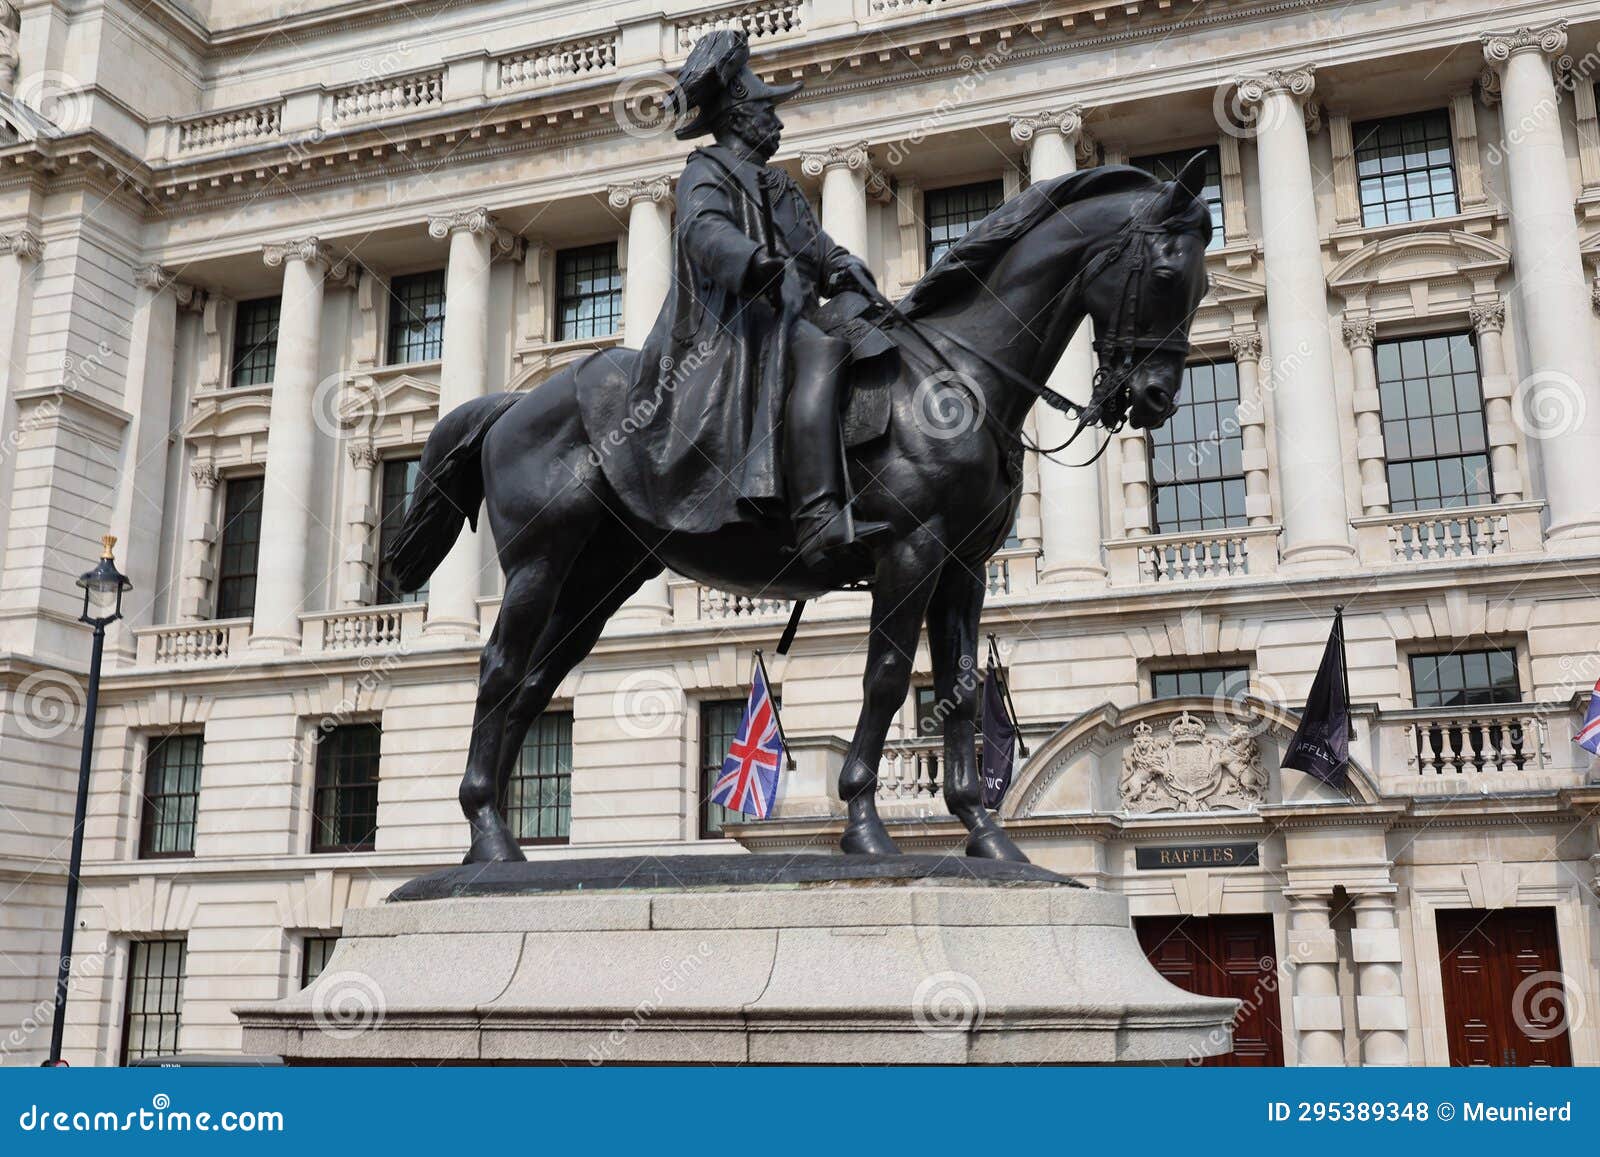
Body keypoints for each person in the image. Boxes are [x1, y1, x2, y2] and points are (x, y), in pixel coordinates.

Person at [606, 29, 889, 568]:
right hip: (737, 325)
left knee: (869, 335)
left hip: (790, 315)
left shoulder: (778, 186)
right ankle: (818, 514)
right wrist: (753, 263)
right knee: (820, 353)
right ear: (739, 117)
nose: (778, 122)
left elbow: (816, 246)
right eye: (768, 111)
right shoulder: (705, 172)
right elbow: (703, 232)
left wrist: (843, 265)